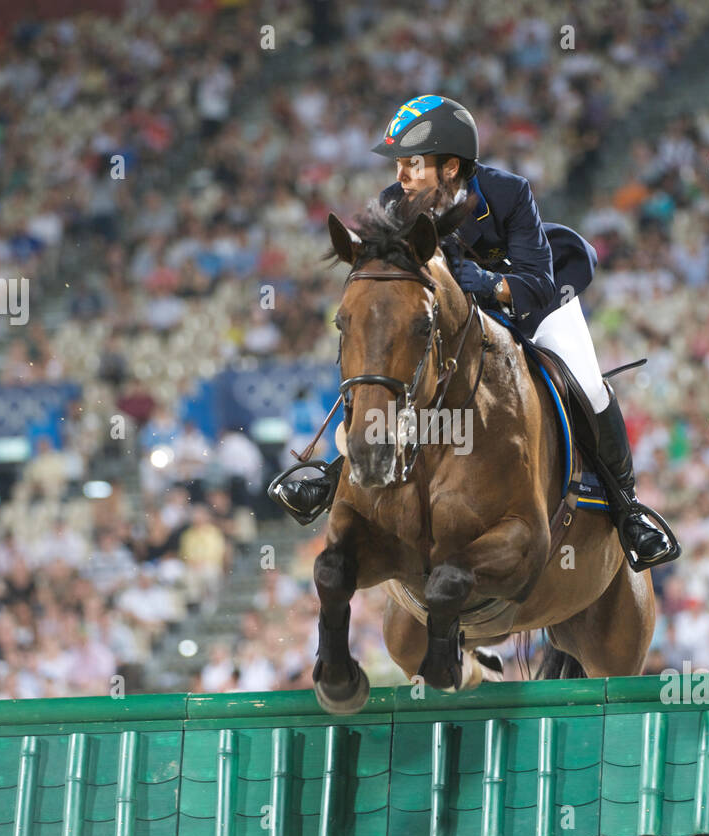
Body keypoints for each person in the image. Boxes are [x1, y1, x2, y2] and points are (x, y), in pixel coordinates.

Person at [273, 95, 676, 570]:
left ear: (450, 166)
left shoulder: (508, 193)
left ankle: (627, 508)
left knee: (587, 384)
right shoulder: (393, 204)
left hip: (534, 304)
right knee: (392, 369)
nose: (400, 174)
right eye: (399, 163)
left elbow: (539, 283)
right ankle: (336, 473)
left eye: (412, 163)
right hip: (455, 320)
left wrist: (489, 283)